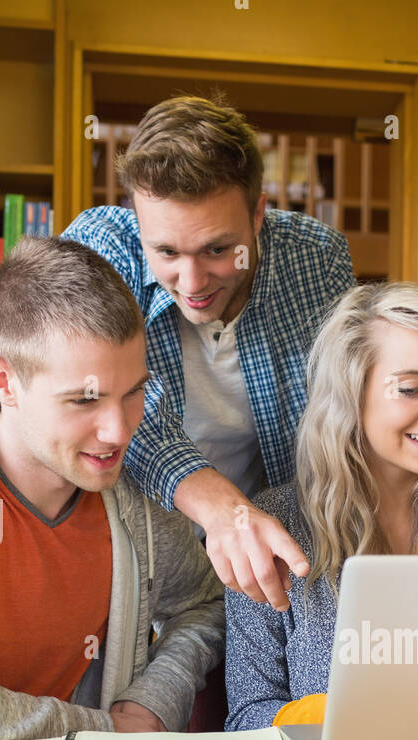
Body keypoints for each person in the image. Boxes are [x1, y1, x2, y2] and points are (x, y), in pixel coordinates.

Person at [63, 93, 357, 610]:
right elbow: (100, 400)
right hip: (128, 559)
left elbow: (342, 413)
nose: (192, 282)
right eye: (167, 252)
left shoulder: (316, 259)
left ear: (259, 211)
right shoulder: (100, 247)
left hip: (275, 561)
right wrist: (222, 509)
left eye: (218, 250)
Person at [0, 236, 223, 740]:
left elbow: (205, 603)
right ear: (3, 380)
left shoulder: (133, 491)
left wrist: (153, 701)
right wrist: (106, 730)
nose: (119, 431)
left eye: (133, 392)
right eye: (85, 401)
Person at [224, 282, 418, 731]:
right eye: (411, 388)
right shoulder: (275, 528)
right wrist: (357, 715)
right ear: (352, 392)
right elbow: (247, 718)